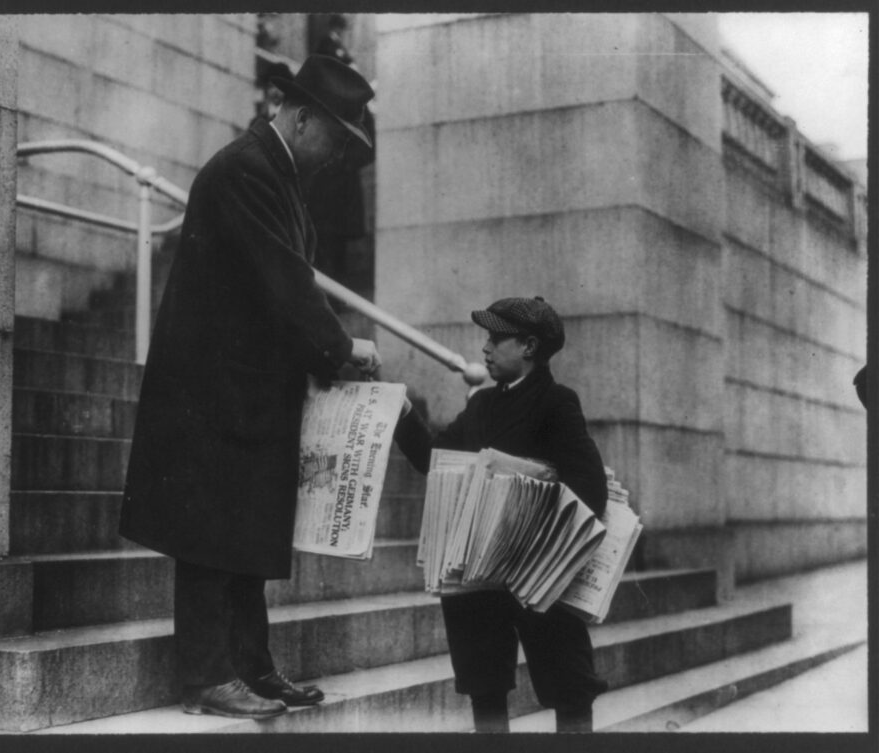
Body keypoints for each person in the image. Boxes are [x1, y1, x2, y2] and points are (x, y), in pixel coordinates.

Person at [119, 55, 379, 720]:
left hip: (240, 390)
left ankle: (252, 668)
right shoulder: (249, 170)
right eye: (336, 140)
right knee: (213, 535)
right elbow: (287, 284)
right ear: (299, 117)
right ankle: (208, 675)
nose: (339, 158)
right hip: (212, 391)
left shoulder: (269, 173)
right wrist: (342, 348)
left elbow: (282, 283)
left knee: (241, 535)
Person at [393, 296, 609, 733]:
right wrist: (401, 414)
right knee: (483, 683)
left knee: (568, 683)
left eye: (496, 338)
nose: (486, 348)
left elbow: (591, 490)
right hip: (479, 572)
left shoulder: (557, 403)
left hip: (538, 572)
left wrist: (535, 520)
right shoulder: (482, 405)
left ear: (529, 346)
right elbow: (433, 457)